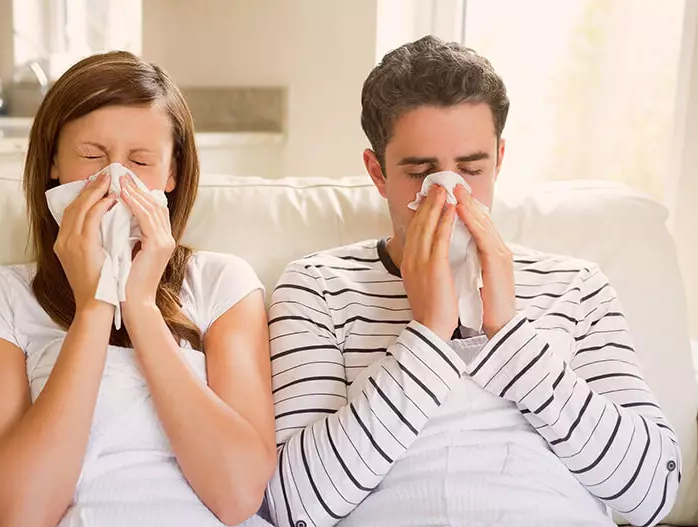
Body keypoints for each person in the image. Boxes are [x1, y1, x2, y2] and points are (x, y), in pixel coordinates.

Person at [266, 36, 681, 527]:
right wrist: (428, 333)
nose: (449, 193)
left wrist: (510, 335)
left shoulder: (577, 286)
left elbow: (653, 495)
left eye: (471, 168)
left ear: (499, 160)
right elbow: (294, 507)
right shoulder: (317, 288)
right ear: (377, 174)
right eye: (420, 172)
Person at [0, 51, 275, 527]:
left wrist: (139, 306)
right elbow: (18, 513)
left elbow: (239, 495)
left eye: (140, 161)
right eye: (92, 157)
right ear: (53, 160)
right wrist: (95, 306)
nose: (114, 182)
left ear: (172, 175)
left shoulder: (222, 284)